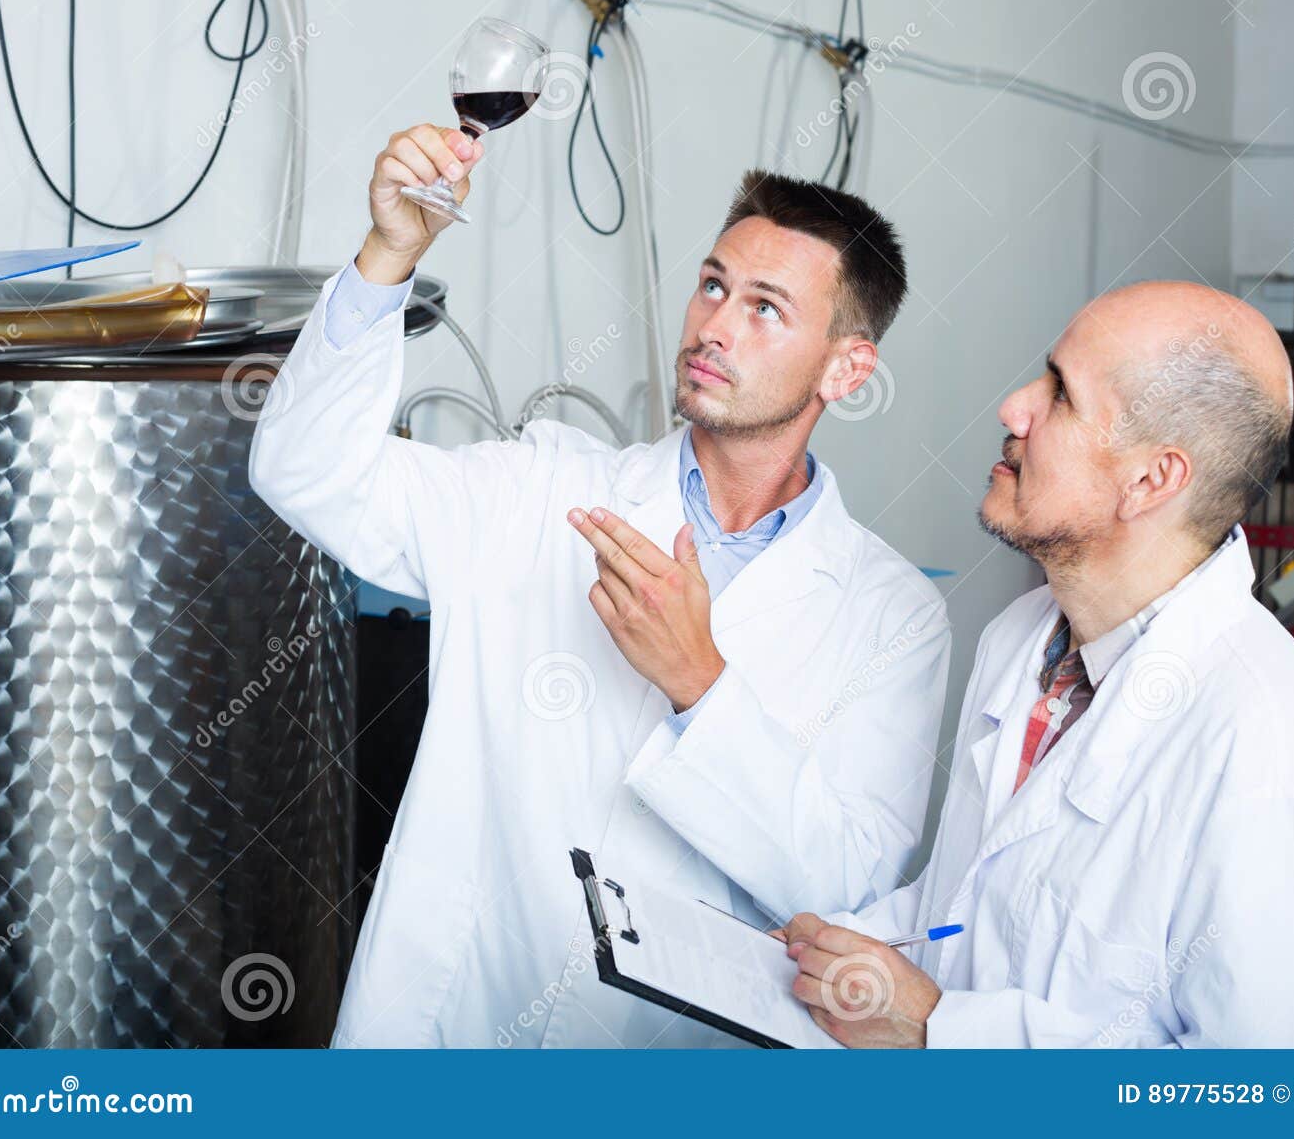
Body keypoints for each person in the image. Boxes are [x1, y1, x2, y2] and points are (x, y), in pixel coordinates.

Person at [248, 124, 952, 1047]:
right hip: (450, 1027)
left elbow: (845, 890)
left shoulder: (894, 615)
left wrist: (700, 683)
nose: (714, 325)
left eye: (766, 308)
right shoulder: (541, 489)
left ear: (846, 368)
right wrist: (390, 256)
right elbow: (304, 473)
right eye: (713, 285)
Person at [781, 281, 1294, 1047]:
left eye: (1060, 394)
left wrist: (940, 1030)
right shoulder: (1020, 639)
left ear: (1151, 480)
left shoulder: (1272, 742)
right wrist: (832, 952)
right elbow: (959, 913)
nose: (1015, 407)